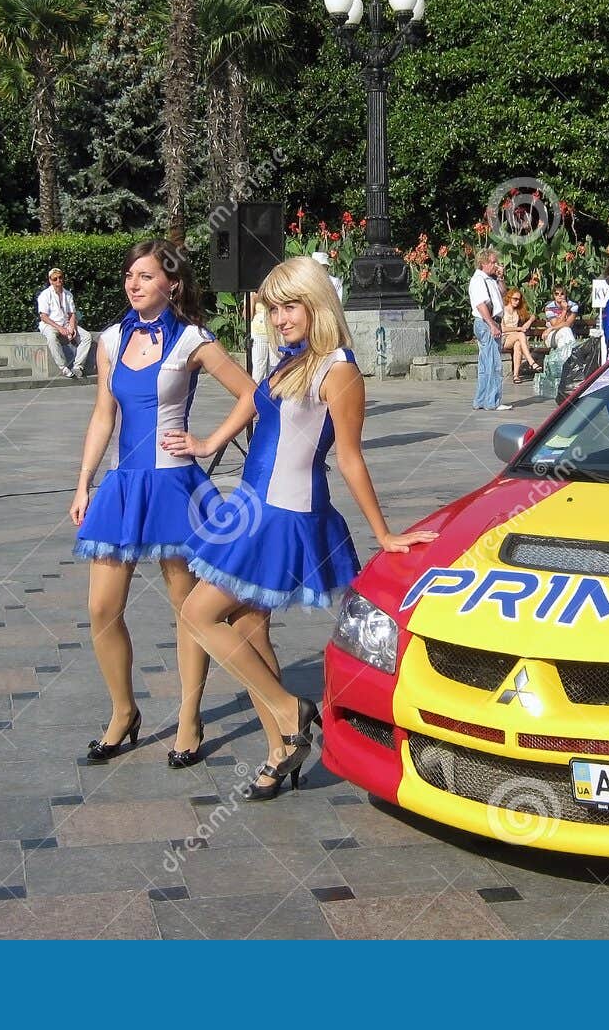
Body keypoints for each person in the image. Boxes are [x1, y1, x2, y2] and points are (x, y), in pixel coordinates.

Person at [164, 257, 437, 799]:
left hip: (284, 513)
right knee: (245, 627)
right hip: (251, 505)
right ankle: (281, 748)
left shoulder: (338, 369)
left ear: (317, 306)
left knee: (198, 613)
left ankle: (292, 709)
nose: (280, 318)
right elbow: (253, 403)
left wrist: (382, 534)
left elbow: (352, 458)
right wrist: (209, 442)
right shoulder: (291, 360)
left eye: (290, 306)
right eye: (273, 308)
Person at [69, 239, 258, 768]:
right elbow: (103, 414)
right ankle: (123, 711)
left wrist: (208, 442)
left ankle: (189, 716)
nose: (133, 283)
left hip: (176, 485)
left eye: (146, 276)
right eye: (130, 274)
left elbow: (251, 394)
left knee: (189, 612)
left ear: (171, 283)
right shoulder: (109, 339)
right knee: (102, 609)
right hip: (123, 486)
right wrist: (84, 483)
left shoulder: (192, 339)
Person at [469, 249, 511, 412]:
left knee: (486, 364)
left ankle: (481, 399)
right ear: (483, 263)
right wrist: (492, 324)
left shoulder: (490, 279)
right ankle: (492, 401)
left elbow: (503, 292)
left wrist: (500, 277)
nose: (496, 265)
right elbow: (481, 305)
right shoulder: (479, 280)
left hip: (490, 322)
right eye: (493, 262)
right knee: (493, 363)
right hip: (487, 323)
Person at [38, 268, 85, 378]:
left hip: (66, 324)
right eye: (55, 279)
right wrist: (60, 328)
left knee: (86, 337)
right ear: (50, 280)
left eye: (60, 277)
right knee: (51, 337)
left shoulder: (68, 294)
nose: (58, 280)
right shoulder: (45, 295)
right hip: (50, 324)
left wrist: (72, 327)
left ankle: (78, 366)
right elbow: (43, 316)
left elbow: (72, 313)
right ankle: (63, 367)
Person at [501, 289, 543, 383]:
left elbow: (533, 316)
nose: (517, 301)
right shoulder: (502, 310)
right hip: (504, 338)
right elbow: (502, 329)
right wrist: (519, 329)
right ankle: (531, 361)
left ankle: (516, 375)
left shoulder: (518, 311)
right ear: (509, 298)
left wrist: (528, 322)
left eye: (519, 299)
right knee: (520, 335)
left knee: (518, 345)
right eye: (515, 299)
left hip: (515, 338)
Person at [248, 291, 270, 383]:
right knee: (259, 367)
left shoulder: (273, 288)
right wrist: (253, 300)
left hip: (275, 333)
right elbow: (247, 316)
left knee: (275, 367)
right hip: (259, 334)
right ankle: (256, 393)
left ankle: (271, 394)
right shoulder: (252, 293)